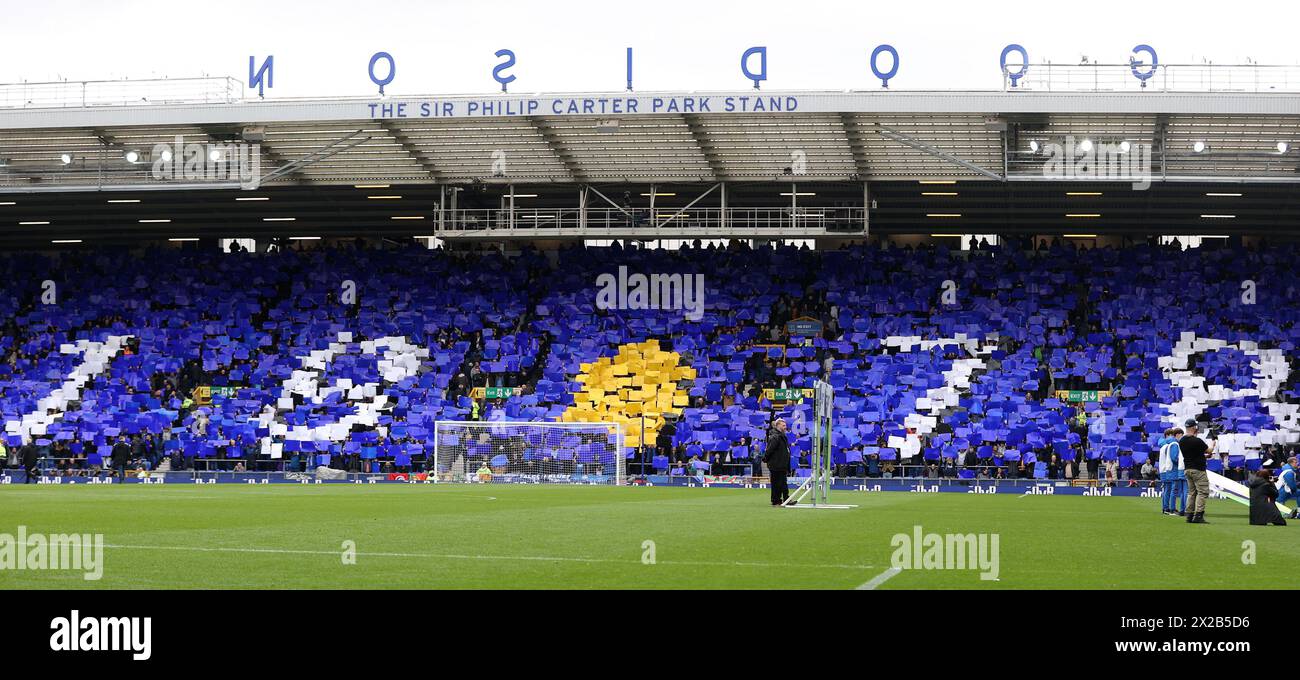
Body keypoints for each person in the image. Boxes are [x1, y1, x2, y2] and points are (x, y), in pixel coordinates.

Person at [1179, 419, 1213, 524]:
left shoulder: (1182, 440)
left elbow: (1194, 453)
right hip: (1198, 469)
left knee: (1191, 492)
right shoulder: (1197, 441)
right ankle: (1198, 515)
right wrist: (1213, 444)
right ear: (1194, 427)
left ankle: (1189, 515)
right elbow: (1209, 450)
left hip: (1187, 469)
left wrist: (1204, 456)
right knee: (1202, 492)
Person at [1157, 427, 1187, 516]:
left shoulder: (1164, 445)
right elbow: (1174, 458)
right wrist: (1181, 462)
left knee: (1167, 490)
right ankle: (1171, 508)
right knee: (1172, 490)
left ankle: (1166, 508)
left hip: (1164, 469)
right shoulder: (1173, 444)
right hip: (1171, 469)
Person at [764, 418, 792, 506]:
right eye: (783, 425)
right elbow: (769, 450)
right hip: (776, 464)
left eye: (785, 425)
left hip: (782, 464)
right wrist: (766, 459)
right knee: (777, 483)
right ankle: (776, 500)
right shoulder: (775, 437)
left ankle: (785, 499)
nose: (785, 427)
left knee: (783, 483)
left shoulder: (781, 436)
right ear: (778, 426)